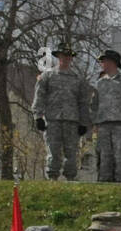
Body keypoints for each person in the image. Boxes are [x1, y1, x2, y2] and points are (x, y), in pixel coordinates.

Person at [32, 44, 90, 182]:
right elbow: (39, 96)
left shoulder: (78, 79)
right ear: (58, 57)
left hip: (72, 121)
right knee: (53, 151)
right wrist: (38, 116)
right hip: (53, 120)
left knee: (71, 152)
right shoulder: (48, 76)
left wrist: (83, 122)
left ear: (71, 59)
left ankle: (70, 178)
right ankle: (53, 178)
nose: (66, 59)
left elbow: (83, 102)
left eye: (68, 56)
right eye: (63, 56)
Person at [89, 50, 121, 183]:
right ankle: (105, 182)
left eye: (104, 61)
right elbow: (94, 104)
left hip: (120, 124)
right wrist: (94, 123)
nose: (102, 64)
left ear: (112, 62)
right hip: (103, 124)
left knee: (120, 154)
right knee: (105, 155)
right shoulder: (99, 83)